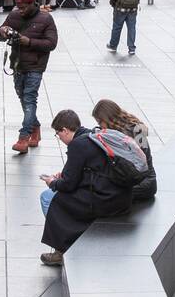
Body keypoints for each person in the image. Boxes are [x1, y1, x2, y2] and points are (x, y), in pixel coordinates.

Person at [38, 109, 133, 266]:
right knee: (59, 196)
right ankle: (68, 240)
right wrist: (63, 177)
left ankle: (63, 249)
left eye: (58, 134)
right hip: (120, 195)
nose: (59, 138)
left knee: (48, 197)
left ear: (65, 130)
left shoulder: (77, 145)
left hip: (104, 199)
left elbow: (68, 185)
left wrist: (52, 182)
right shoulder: (93, 135)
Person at [0, 0, 59, 153]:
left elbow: (51, 44)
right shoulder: (14, 15)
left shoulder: (46, 19)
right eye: (19, 7)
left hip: (35, 66)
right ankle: (36, 128)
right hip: (17, 65)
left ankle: (24, 137)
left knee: (30, 99)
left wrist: (28, 41)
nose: (21, 10)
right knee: (23, 99)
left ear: (32, 4)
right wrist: (2, 31)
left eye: (24, 7)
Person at [91, 99, 156, 202]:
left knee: (103, 194)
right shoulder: (117, 131)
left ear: (108, 118)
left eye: (100, 122)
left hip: (144, 182)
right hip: (135, 179)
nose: (100, 126)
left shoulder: (136, 131)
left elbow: (144, 162)